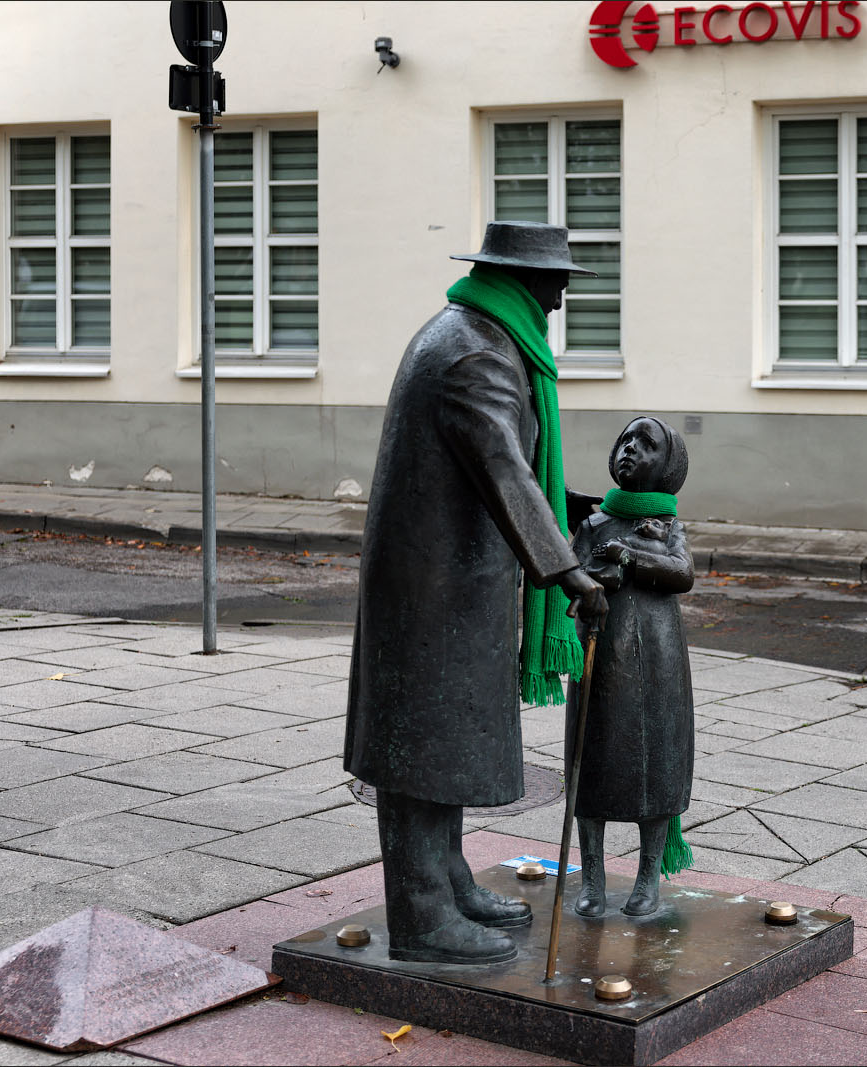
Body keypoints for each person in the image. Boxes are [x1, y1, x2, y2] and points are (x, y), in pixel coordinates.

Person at [344, 221, 609, 965]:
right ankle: (423, 914)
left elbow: (502, 465)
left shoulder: (474, 334)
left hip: (444, 581)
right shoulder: (476, 354)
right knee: (423, 746)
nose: (561, 297)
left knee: (438, 743)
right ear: (525, 282)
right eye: (556, 280)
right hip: (438, 592)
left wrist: (571, 504)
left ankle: (446, 879)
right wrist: (567, 570)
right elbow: (502, 467)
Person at [568, 417, 696, 918]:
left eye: (646, 445)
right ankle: (593, 878)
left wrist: (629, 555)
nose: (630, 450)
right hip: (600, 655)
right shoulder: (594, 523)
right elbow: (574, 574)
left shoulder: (668, 527)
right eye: (625, 440)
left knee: (655, 762)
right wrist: (596, 580)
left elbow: (682, 574)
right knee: (591, 761)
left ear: (667, 466)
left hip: (659, 658)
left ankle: (648, 877)